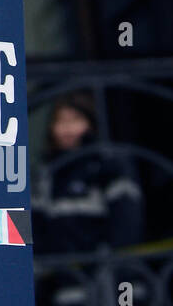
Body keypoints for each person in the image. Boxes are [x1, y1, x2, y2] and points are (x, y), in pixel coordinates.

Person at [31, 92, 144, 255]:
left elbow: (126, 221)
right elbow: (34, 225)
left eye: (75, 120)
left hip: (102, 268)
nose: (67, 129)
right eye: (60, 121)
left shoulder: (107, 165)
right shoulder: (46, 171)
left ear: (90, 122)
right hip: (58, 273)